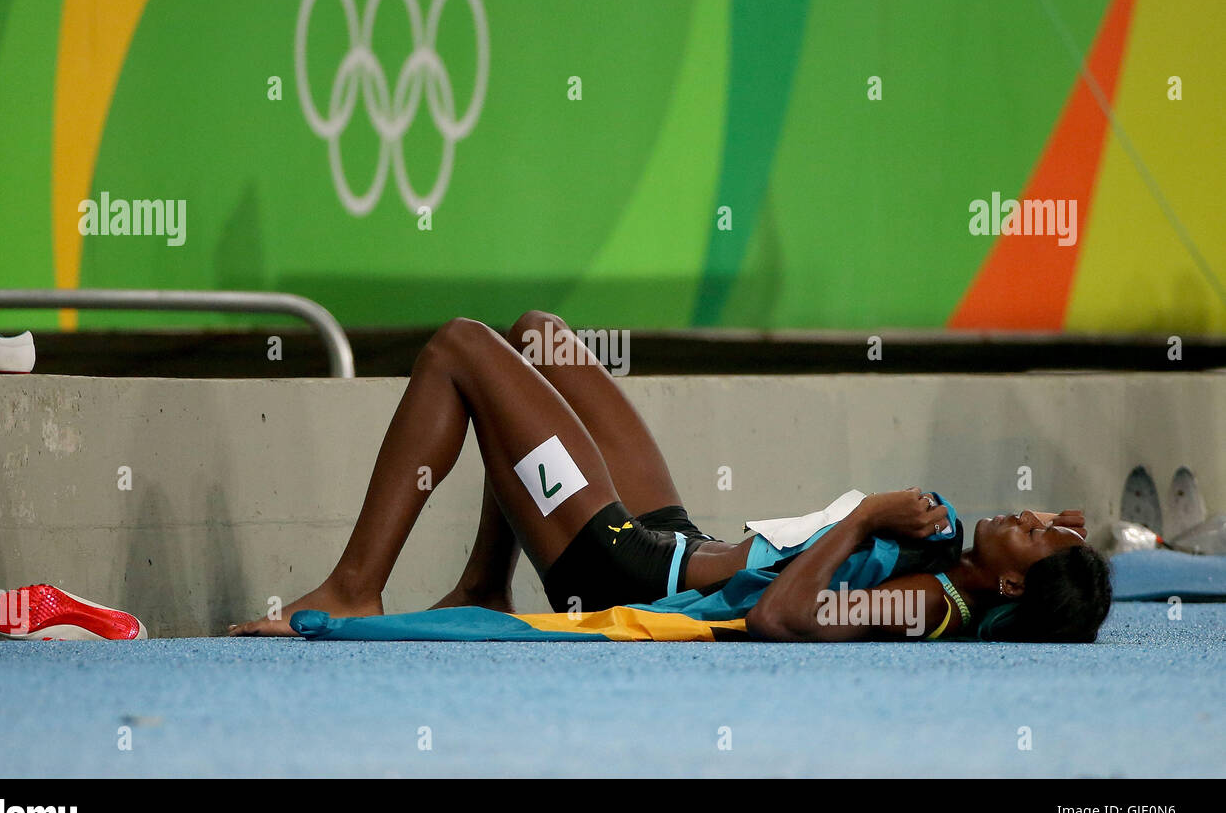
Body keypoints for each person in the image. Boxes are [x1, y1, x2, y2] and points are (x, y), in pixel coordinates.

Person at [230, 311, 1111, 642]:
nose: (1026, 513)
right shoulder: (966, 557)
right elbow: (1056, 549)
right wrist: (1070, 534)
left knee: (463, 348)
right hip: (681, 542)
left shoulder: (932, 606)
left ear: (1006, 584)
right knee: (538, 336)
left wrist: (869, 515)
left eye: (1032, 534)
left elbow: (783, 616)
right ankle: (484, 581)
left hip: (623, 568)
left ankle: (354, 589)